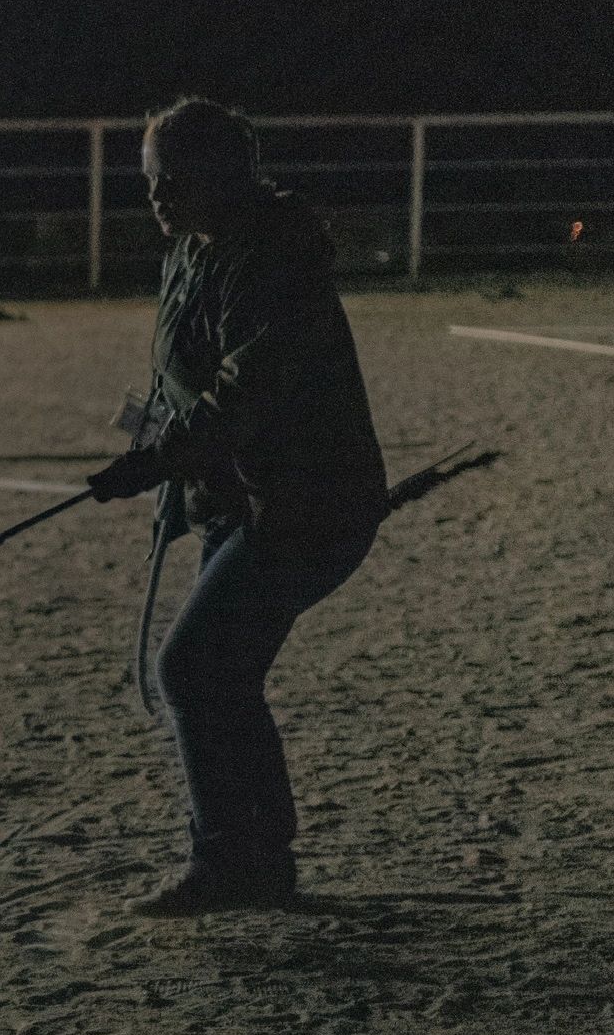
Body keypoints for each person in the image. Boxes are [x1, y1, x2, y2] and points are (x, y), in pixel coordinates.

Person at [85, 97, 388, 916]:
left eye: (172, 181)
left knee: (191, 666)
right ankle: (257, 856)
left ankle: (232, 859)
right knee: (223, 670)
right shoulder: (189, 251)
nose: (156, 199)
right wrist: (169, 468)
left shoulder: (278, 260)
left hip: (304, 501)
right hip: (236, 497)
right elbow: (179, 375)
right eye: (149, 182)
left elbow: (245, 389)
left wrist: (154, 460)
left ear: (224, 176)